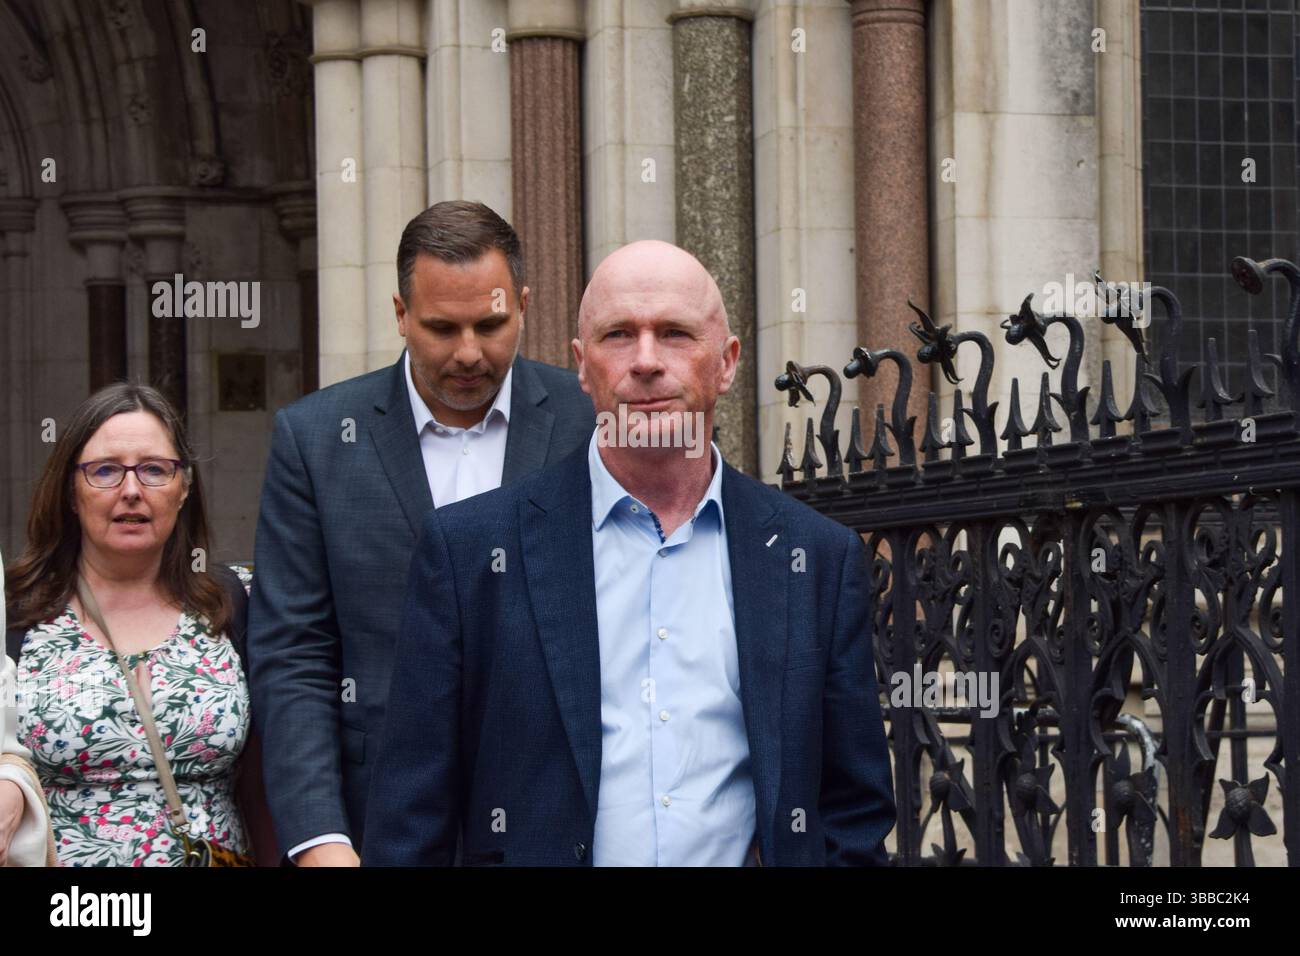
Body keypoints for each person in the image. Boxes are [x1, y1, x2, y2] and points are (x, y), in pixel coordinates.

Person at [364, 240, 896, 866]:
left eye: (674, 333)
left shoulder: (815, 559)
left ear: (725, 363)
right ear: (582, 366)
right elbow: (409, 819)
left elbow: (853, 811)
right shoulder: (470, 554)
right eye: (619, 335)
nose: (646, 362)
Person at [247, 200, 595, 865]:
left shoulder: (588, 427)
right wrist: (320, 839)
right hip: (376, 828)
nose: (468, 353)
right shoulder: (315, 440)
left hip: (555, 825)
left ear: (523, 305)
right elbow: (294, 653)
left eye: (491, 324)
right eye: (441, 328)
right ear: (401, 315)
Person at [3, 383, 273, 866]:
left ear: (184, 486)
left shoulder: (236, 601)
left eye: (154, 470)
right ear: (70, 489)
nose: (131, 490)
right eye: (105, 470)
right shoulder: (15, 610)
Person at [2, 553, 55, 867]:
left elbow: (4, 751)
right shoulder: (23, 600)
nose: (130, 499)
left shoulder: (228, 599)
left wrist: (12, 784)